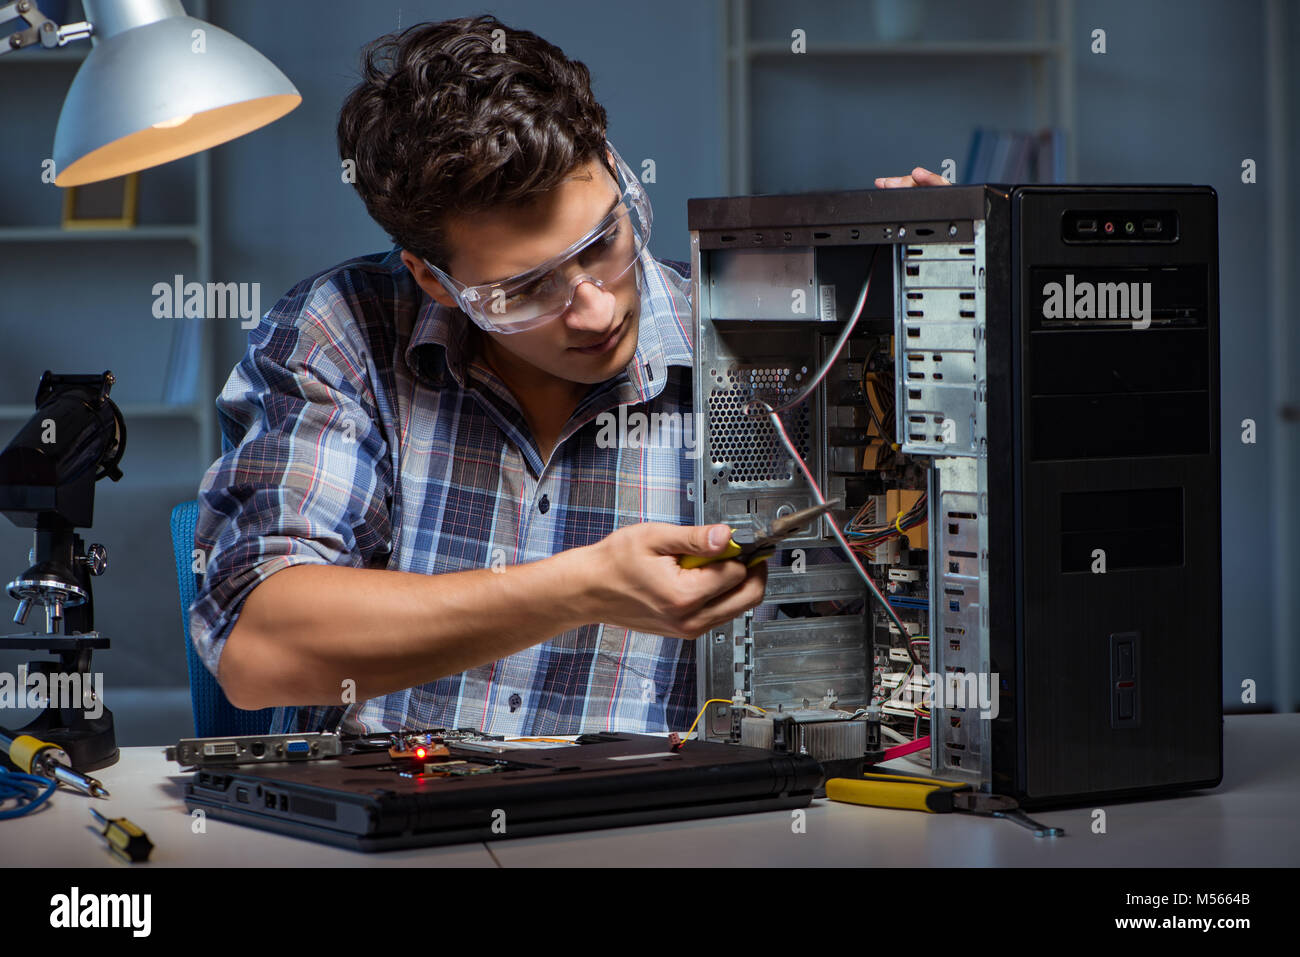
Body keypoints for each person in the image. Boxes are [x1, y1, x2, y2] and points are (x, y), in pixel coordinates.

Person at [190, 14, 947, 737]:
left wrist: (943, 330)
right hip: (400, 829)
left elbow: (913, 570)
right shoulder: (344, 330)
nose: (592, 310)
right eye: (524, 290)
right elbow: (259, 651)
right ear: (432, 279)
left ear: (615, 170)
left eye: (602, 242)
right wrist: (580, 589)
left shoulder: (774, 351)